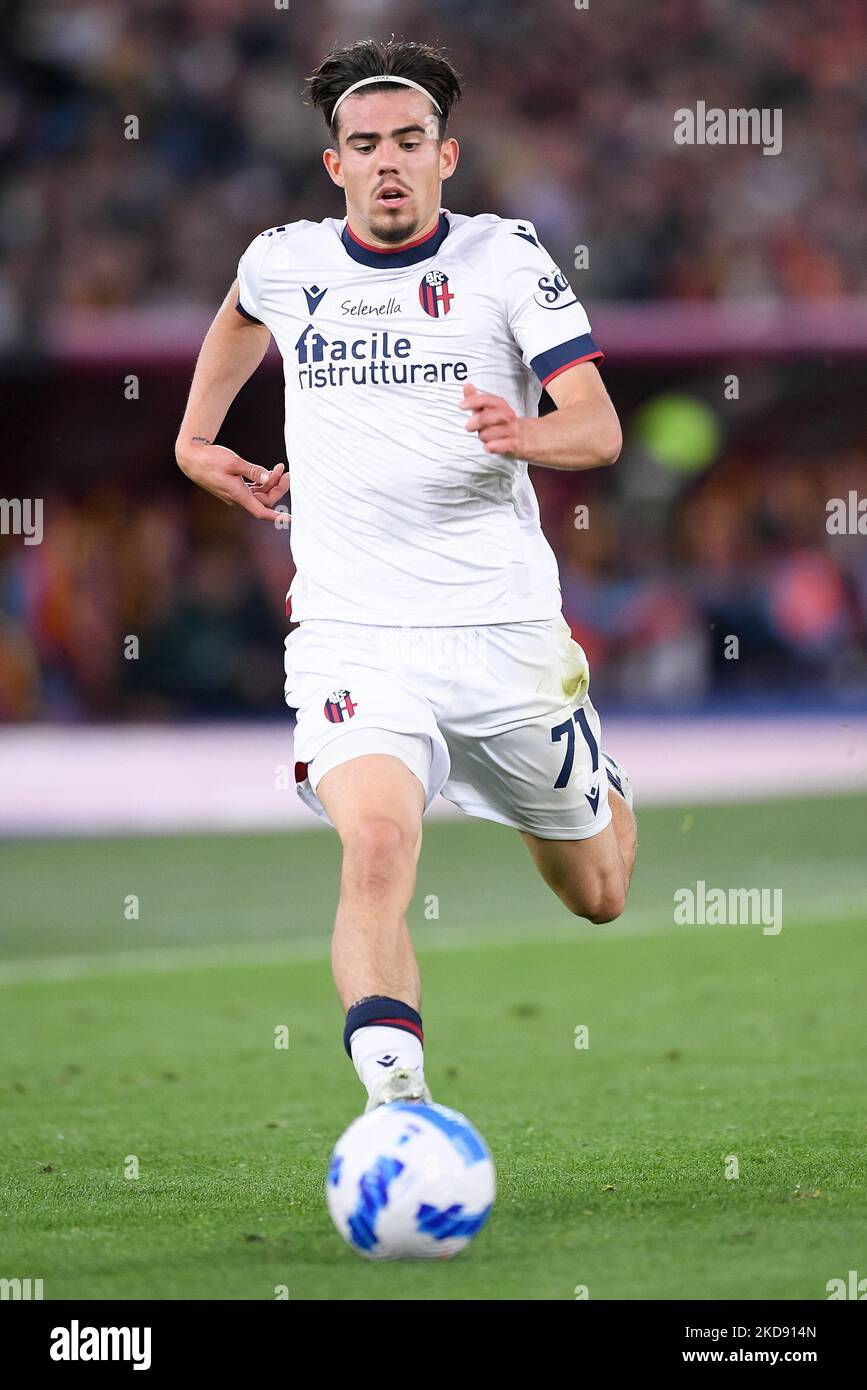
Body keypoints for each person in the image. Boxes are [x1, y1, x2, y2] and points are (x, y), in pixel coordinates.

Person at [175, 38, 637, 1116]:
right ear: (334, 165)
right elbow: (241, 314)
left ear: (447, 156)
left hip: (502, 628)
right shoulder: (286, 260)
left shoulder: (505, 260)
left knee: (601, 892)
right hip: (353, 630)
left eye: (410, 142)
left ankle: (599, 781)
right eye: (365, 144)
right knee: (378, 840)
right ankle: (400, 1108)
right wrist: (197, 441)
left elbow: (601, 430)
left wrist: (525, 434)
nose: (389, 161)